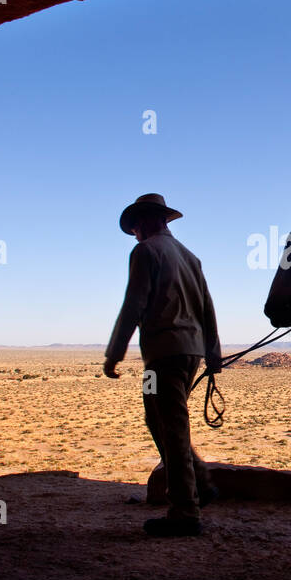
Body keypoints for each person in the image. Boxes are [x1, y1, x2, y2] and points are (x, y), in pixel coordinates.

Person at [104, 193, 222, 537]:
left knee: (169, 426)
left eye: (136, 225)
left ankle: (186, 511)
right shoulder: (190, 256)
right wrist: (212, 355)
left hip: (163, 354)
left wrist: (115, 353)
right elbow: (207, 308)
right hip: (190, 353)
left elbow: (134, 304)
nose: (135, 232)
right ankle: (199, 483)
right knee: (160, 418)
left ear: (150, 220)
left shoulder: (146, 252)